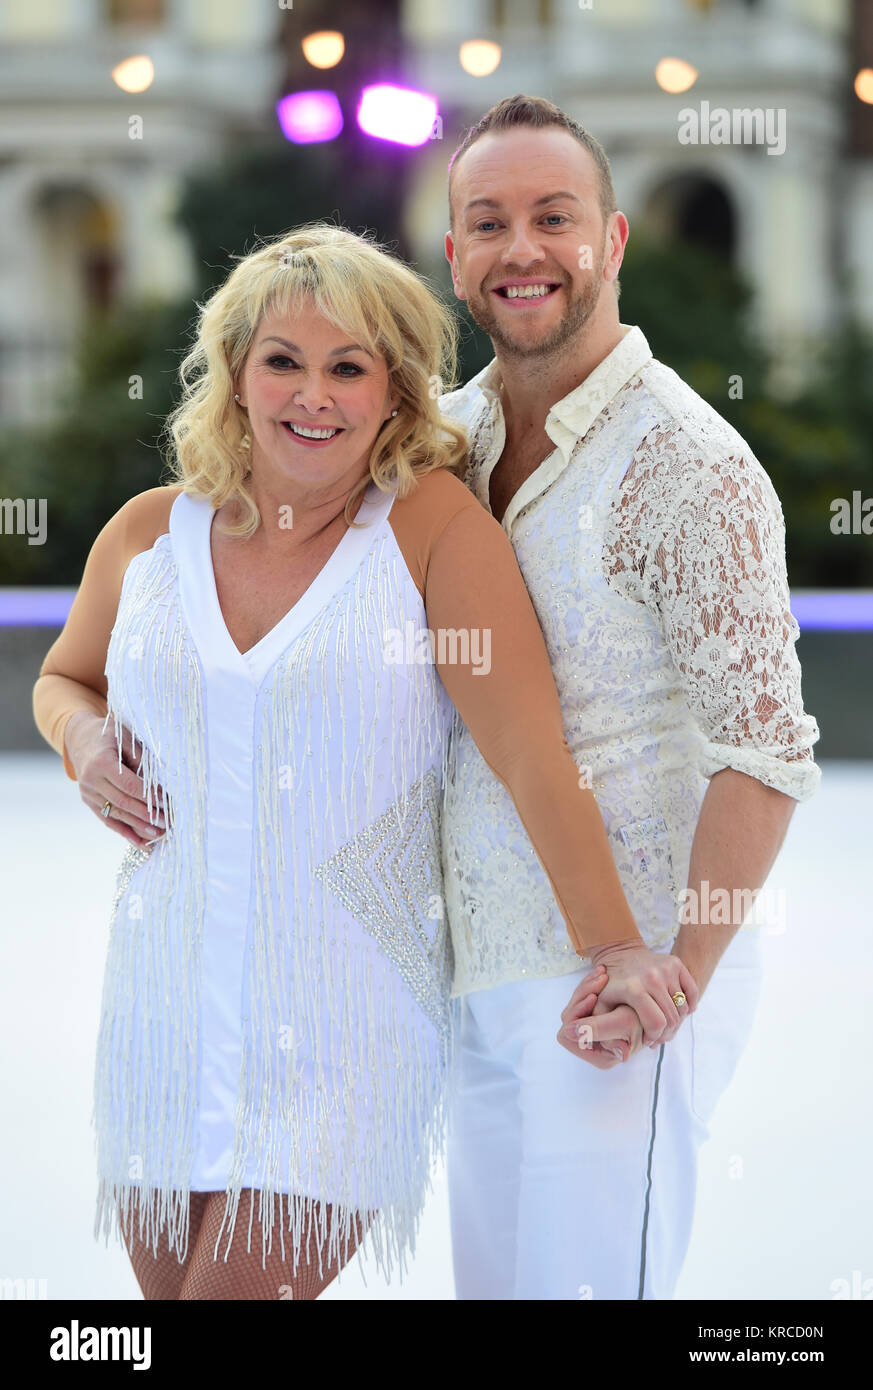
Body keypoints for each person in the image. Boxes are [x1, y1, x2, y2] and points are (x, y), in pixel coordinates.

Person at [31, 223, 692, 1301]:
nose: (315, 395)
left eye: (350, 366)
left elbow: (528, 750)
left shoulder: (427, 529)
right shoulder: (148, 533)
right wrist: (84, 740)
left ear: (396, 389)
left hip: (341, 1031)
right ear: (235, 373)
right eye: (283, 361)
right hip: (161, 1019)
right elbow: (63, 679)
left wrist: (615, 942)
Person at [438, 95, 822, 1300]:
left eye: (554, 217)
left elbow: (763, 753)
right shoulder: (440, 441)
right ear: (452, 256)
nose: (522, 250)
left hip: (624, 977)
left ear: (610, 241)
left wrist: (669, 981)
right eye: (487, 222)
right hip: (474, 967)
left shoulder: (689, 464)